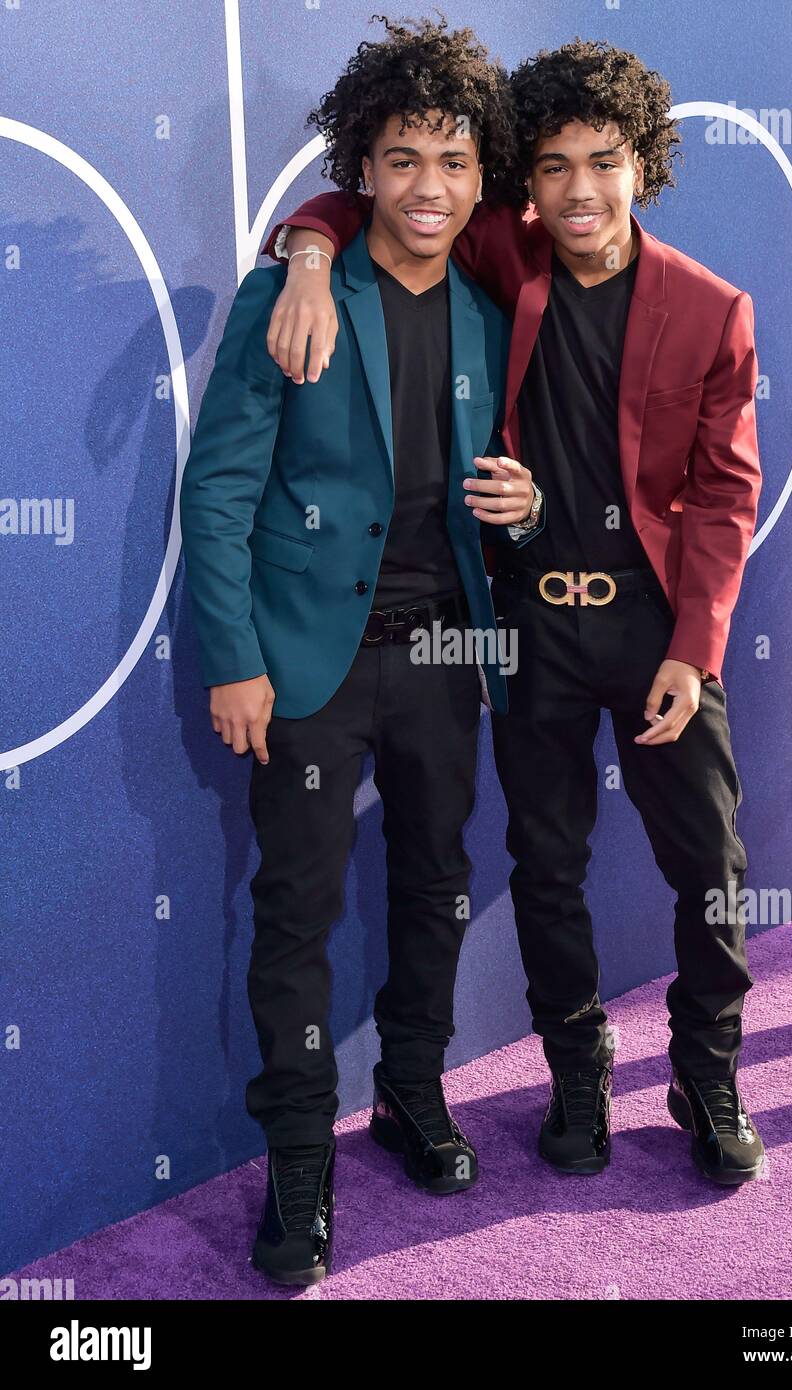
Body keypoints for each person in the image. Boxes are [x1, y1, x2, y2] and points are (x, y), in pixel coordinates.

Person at [260, 38, 767, 1189]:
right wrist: (300, 252)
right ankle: (577, 1072)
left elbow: (725, 499)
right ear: (522, 183)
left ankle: (706, 1066)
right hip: (529, 623)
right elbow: (367, 198)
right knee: (545, 864)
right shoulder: (505, 247)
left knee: (713, 867)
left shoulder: (710, 308)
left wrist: (695, 650)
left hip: (655, 627)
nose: (578, 190)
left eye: (603, 161)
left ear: (645, 163)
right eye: (550, 167)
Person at [180, 16, 539, 1286]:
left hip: (447, 652)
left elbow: (511, 481)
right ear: (363, 167)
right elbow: (218, 491)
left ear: (480, 172)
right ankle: (297, 1155)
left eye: (450, 159)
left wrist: (528, 506)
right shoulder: (291, 292)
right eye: (399, 159)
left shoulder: (501, 313)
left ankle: (410, 1090)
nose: (426, 186)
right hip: (305, 662)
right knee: (298, 909)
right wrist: (234, 654)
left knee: (436, 882)